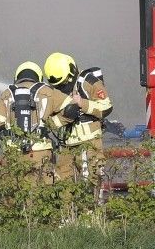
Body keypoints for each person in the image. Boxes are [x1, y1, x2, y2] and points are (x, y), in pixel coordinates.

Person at [0, 61, 75, 171]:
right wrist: (52, 124)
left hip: (12, 153)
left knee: (15, 187)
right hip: (41, 151)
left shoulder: (7, 93)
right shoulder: (48, 91)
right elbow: (73, 109)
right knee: (42, 186)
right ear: (39, 76)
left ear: (17, 76)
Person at [45, 52, 113, 185]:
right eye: (59, 85)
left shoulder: (88, 82)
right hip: (66, 145)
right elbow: (51, 121)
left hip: (89, 143)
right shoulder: (55, 90)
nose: (62, 87)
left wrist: (83, 104)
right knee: (62, 185)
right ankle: (67, 207)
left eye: (64, 83)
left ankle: (93, 206)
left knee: (91, 184)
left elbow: (107, 107)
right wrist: (64, 116)